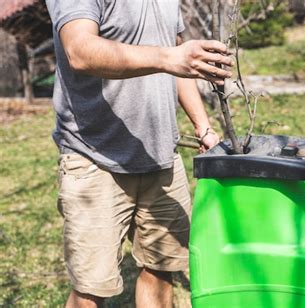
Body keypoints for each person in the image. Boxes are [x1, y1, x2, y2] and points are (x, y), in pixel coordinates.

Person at [45, 0, 233, 307]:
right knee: (91, 288)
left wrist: (203, 127)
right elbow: (79, 50)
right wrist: (169, 57)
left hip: (161, 155)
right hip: (94, 158)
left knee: (161, 268)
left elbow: (178, 61)